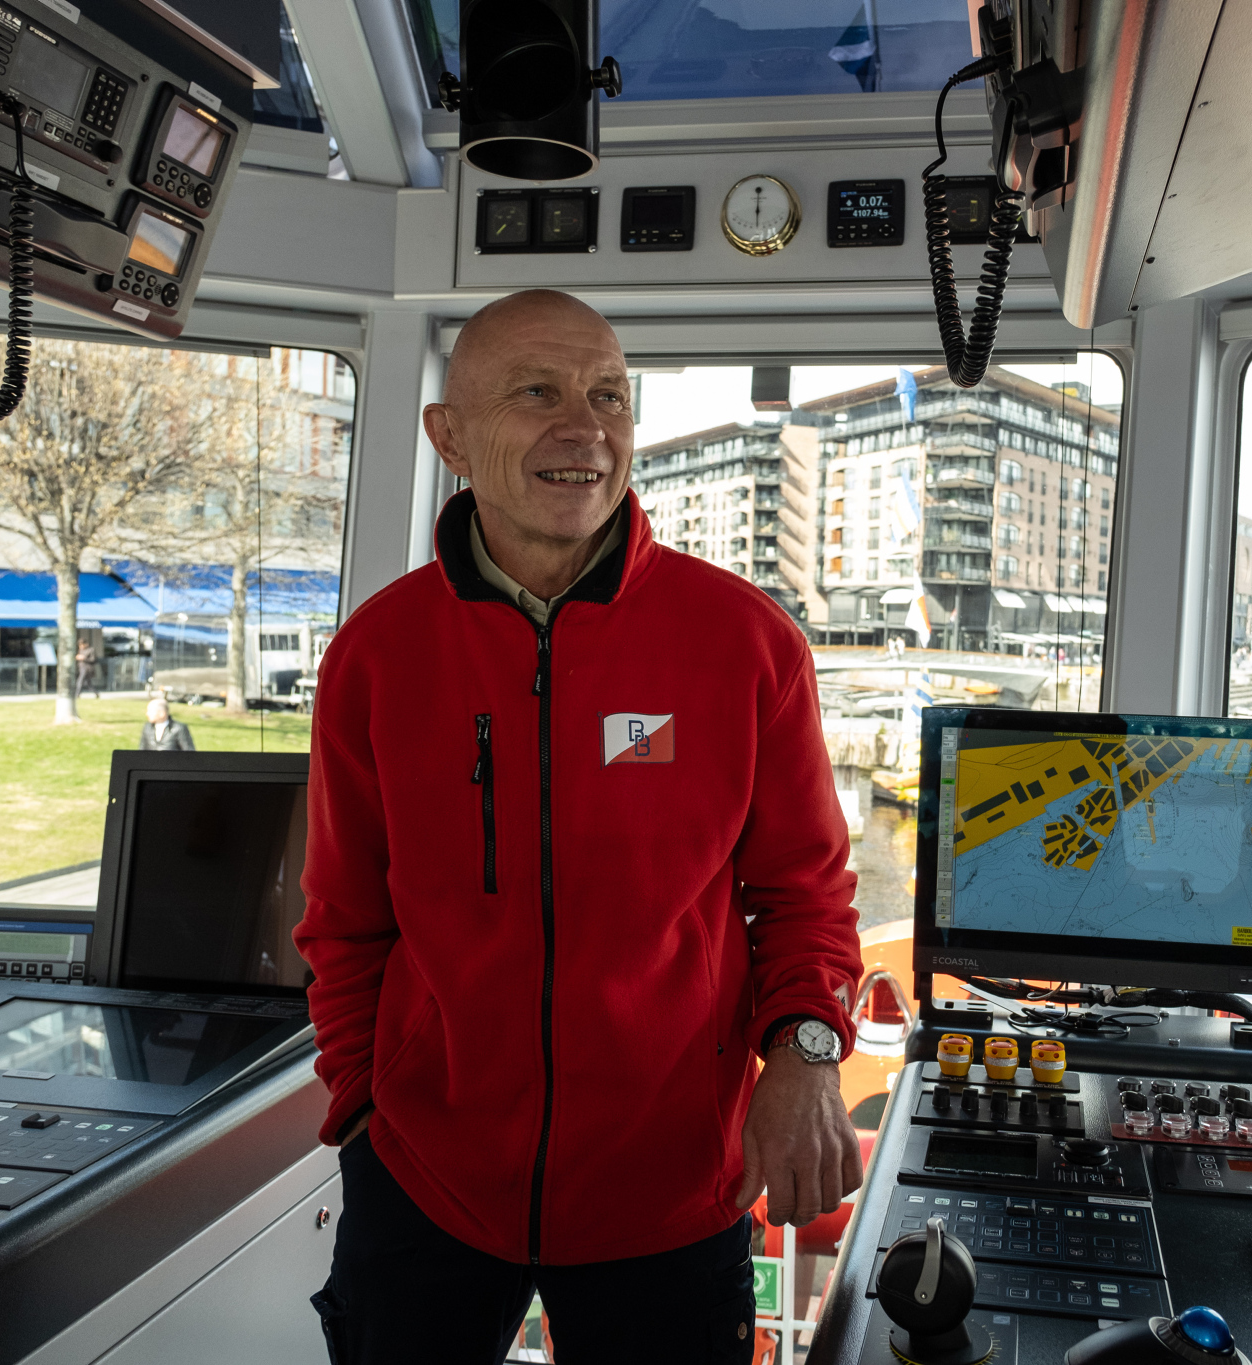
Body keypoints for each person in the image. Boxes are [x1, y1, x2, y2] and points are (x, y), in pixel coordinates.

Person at [297, 289, 864, 1365]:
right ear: (448, 437)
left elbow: (804, 892)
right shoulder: (377, 655)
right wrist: (361, 1118)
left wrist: (803, 1055)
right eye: (537, 392)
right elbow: (342, 919)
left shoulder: (745, 644)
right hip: (424, 1185)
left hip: (672, 1191)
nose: (585, 429)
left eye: (608, 395)